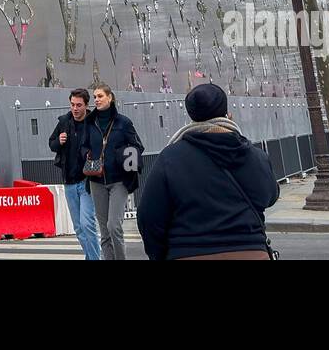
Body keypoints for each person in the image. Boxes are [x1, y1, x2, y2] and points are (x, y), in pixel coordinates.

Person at [137, 83, 279, 260]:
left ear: (191, 115)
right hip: (249, 249)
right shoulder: (255, 156)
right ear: (227, 113)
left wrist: (160, 254)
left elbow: (148, 217)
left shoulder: (170, 158)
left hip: (189, 250)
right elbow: (270, 196)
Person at [79, 84, 144, 260]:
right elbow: (83, 145)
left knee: (113, 225)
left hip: (119, 181)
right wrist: (87, 154)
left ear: (110, 98)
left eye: (100, 96)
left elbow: (138, 146)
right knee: (104, 230)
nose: (96, 100)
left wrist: (121, 156)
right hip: (96, 180)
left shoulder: (123, 122)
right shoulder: (90, 122)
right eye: (95, 97)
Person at [48, 88, 99, 260]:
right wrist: (59, 141)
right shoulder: (64, 122)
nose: (75, 109)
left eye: (79, 105)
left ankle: (94, 259)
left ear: (86, 105)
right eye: (72, 105)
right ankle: (91, 256)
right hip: (69, 182)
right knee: (78, 227)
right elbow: (52, 144)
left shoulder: (94, 123)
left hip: (87, 182)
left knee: (87, 223)